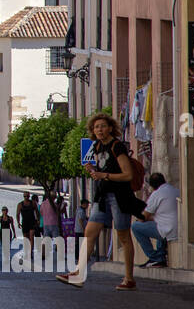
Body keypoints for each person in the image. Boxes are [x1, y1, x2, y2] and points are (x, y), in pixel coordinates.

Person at [56, 112, 138, 290]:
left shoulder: (117, 147)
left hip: (119, 196)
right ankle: (78, 274)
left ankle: (129, 279)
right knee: (89, 233)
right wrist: (92, 170)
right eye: (96, 127)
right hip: (102, 196)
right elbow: (101, 170)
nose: (99, 129)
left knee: (123, 236)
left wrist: (104, 175)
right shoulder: (97, 147)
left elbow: (128, 174)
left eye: (102, 126)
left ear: (110, 128)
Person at [133, 173, 179, 267]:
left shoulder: (157, 194)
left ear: (152, 186)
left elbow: (143, 217)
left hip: (167, 230)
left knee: (135, 226)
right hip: (177, 227)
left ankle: (155, 257)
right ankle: (160, 255)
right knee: (158, 222)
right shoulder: (175, 190)